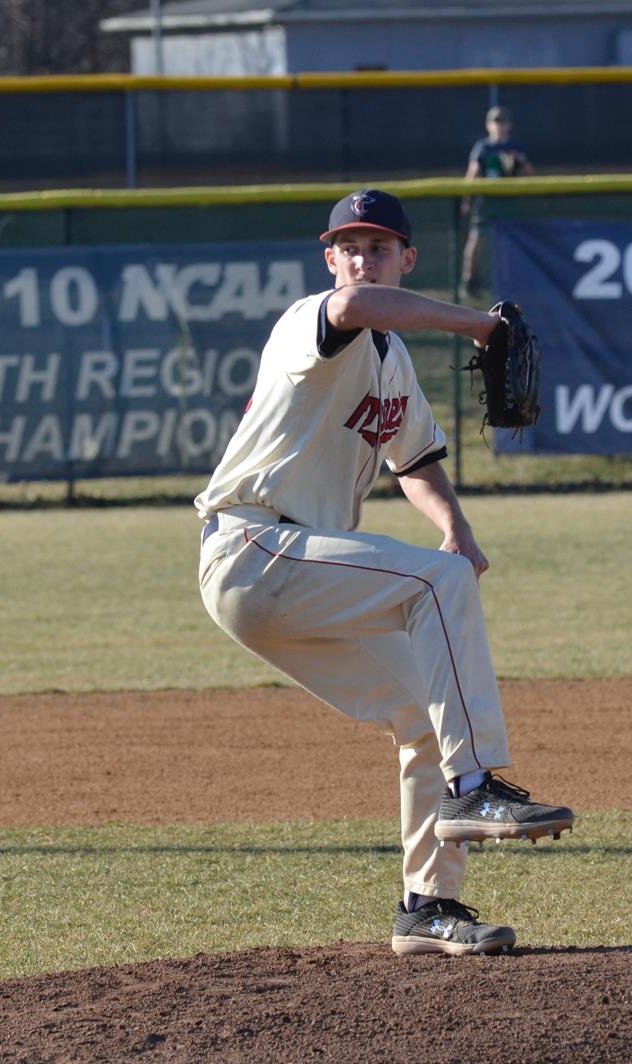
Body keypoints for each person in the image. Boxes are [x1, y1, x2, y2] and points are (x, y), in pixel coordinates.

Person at [195, 188, 575, 959]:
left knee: (423, 715)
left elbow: (416, 460)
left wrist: (456, 528)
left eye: (379, 245)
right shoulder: (313, 320)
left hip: (296, 572)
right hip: (252, 545)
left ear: (408, 257)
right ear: (329, 259)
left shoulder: (391, 363)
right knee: (438, 586)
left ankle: (428, 908)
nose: (362, 257)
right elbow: (363, 305)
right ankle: (477, 788)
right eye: (349, 246)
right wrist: (477, 324)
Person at [461, 106, 534, 300]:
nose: (499, 126)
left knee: (506, 244)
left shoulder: (515, 148)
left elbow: (530, 175)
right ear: (488, 125)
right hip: (486, 202)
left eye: (503, 122)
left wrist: (520, 161)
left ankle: (507, 281)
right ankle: (469, 279)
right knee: (476, 241)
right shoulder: (484, 147)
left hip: (507, 202)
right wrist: (466, 198)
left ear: (509, 125)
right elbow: (473, 173)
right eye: (496, 122)